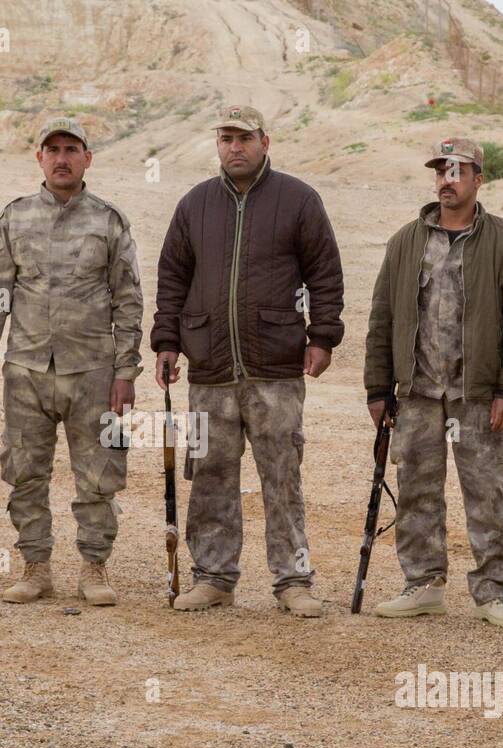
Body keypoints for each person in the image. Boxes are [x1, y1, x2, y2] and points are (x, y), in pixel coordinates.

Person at [151, 106, 343, 618]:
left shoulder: (298, 199)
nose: (234, 147)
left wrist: (323, 337)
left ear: (265, 141)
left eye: (244, 138)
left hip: (275, 369)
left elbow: (325, 273)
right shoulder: (195, 204)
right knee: (211, 476)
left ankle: (293, 580)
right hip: (209, 367)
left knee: (282, 477)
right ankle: (213, 577)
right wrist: (166, 341)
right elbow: (172, 279)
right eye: (226, 138)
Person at [364, 137, 503, 627]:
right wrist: (378, 389)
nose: (447, 179)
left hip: (477, 395)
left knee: (486, 492)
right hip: (418, 392)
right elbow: (383, 316)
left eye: (459, 171)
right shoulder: (406, 241)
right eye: (441, 170)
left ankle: (494, 591)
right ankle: (422, 584)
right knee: (417, 488)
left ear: (479, 180)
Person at [0, 117, 142, 606]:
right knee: (24, 471)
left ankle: (94, 567)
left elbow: (127, 299)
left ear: (88, 158)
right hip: (26, 369)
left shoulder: (109, 221)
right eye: (52, 150)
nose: (61, 158)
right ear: (39, 158)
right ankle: (35, 566)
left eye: (71, 149)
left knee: (99, 473)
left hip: (93, 370)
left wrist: (126, 371)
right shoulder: (15, 217)